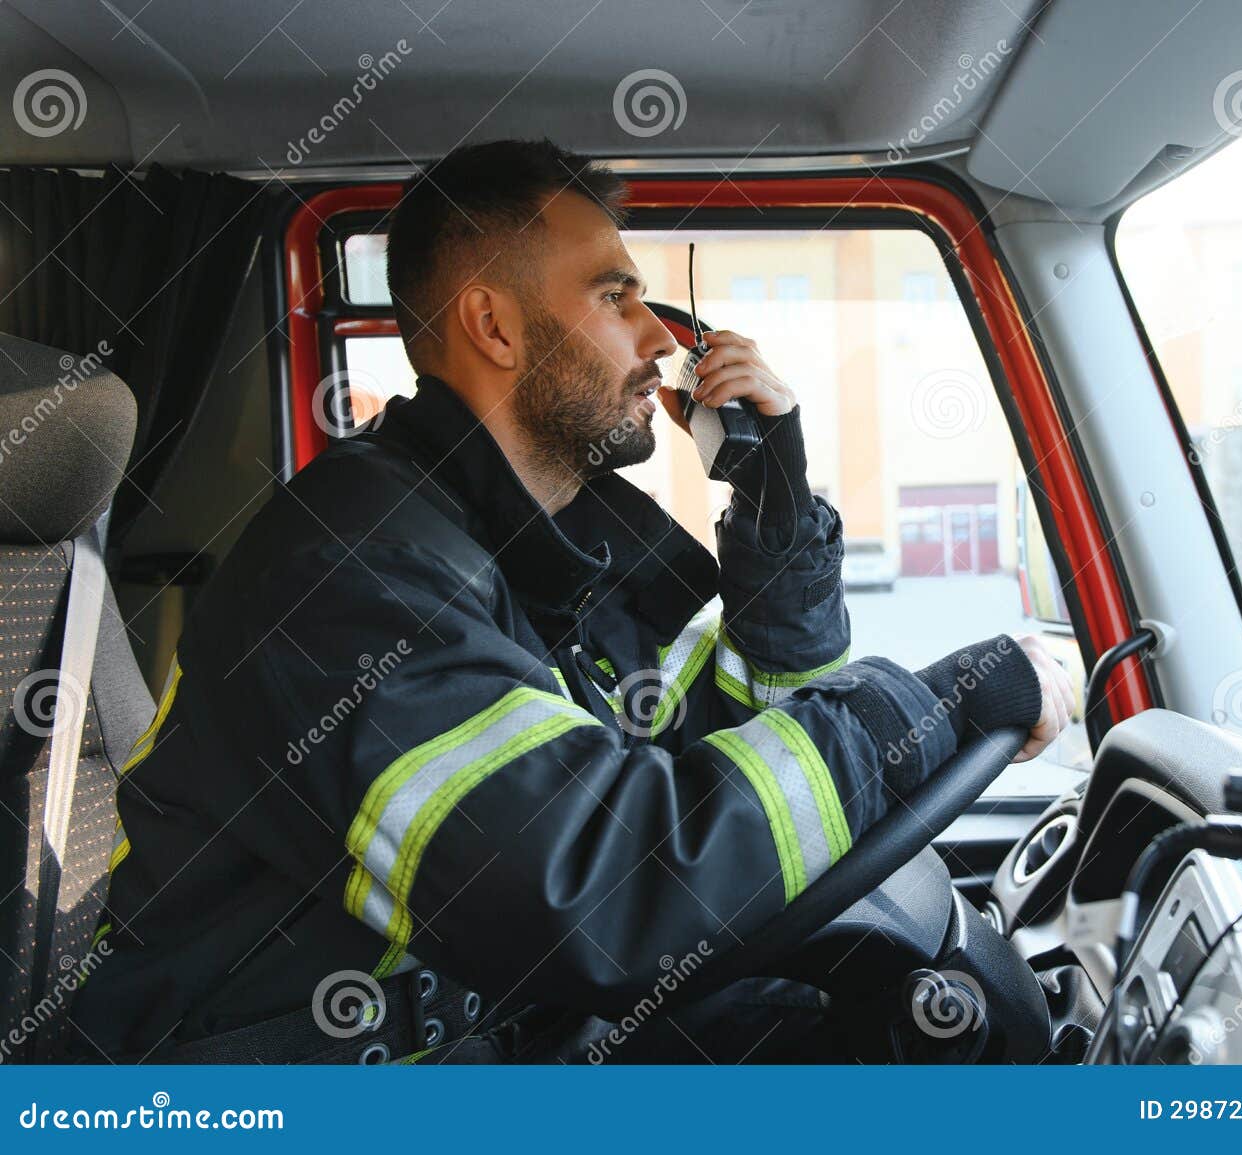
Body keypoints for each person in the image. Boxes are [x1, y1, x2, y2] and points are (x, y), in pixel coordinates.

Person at [73, 139, 1075, 1063]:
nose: (661, 338)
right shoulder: (349, 574)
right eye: (613, 295)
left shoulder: (546, 542)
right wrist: (929, 708)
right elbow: (605, 894)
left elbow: (739, 736)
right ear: (494, 325)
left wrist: (773, 511)